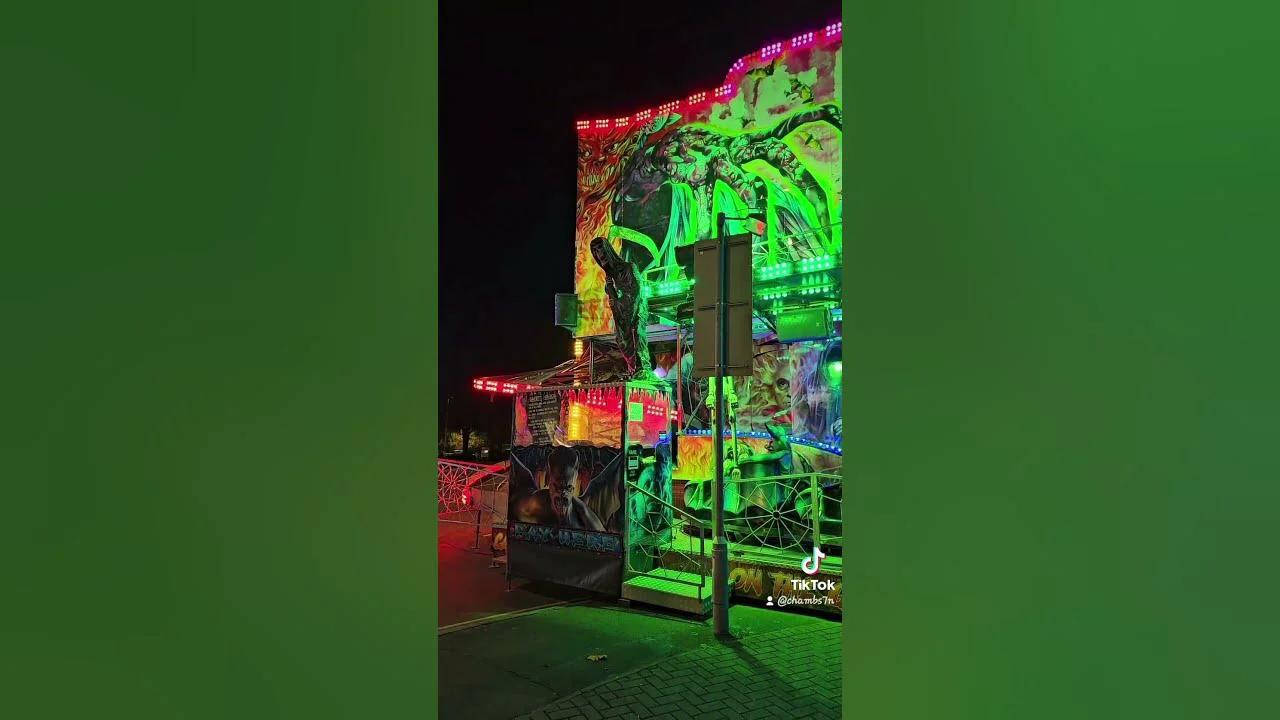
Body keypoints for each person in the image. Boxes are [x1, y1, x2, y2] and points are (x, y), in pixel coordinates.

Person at [512, 446, 606, 531]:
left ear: (574, 482)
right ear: (549, 479)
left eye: (568, 488)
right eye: (557, 487)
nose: (562, 494)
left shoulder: (585, 517)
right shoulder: (533, 504)